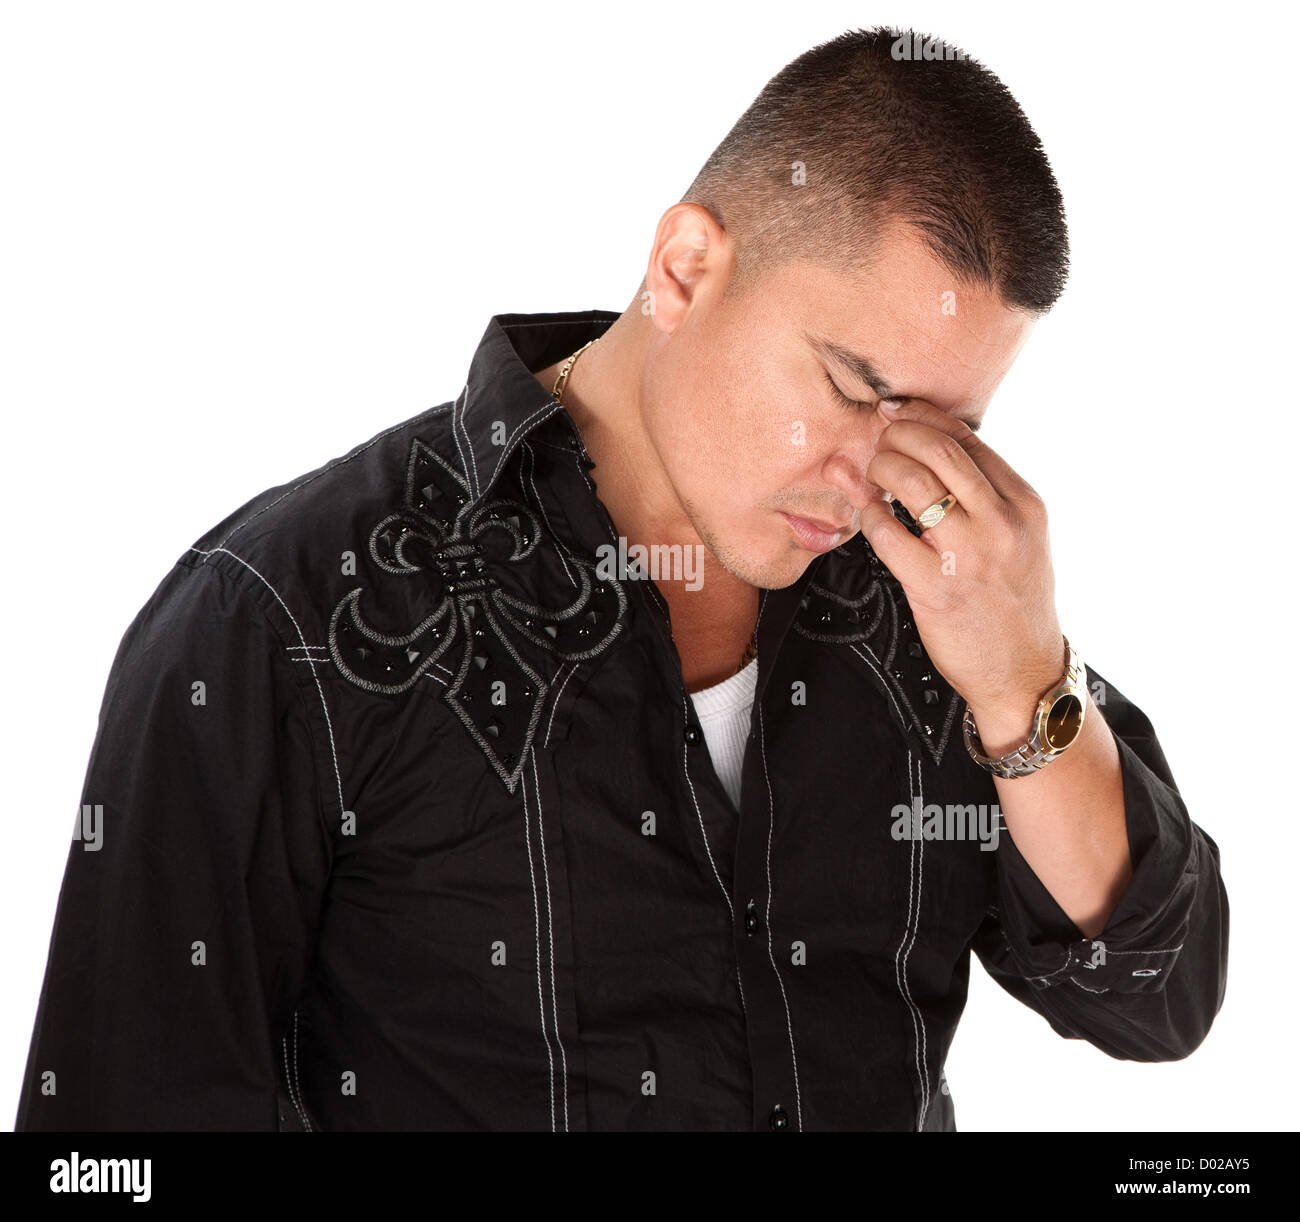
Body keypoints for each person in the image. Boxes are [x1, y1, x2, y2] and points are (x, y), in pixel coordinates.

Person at [15, 25, 1227, 1132]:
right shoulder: (286, 617)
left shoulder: (943, 601)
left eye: (939, 429)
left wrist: (1025, 685)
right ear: (687, 267)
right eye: (854, 389)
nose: (874, 474)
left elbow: (1156, 999)